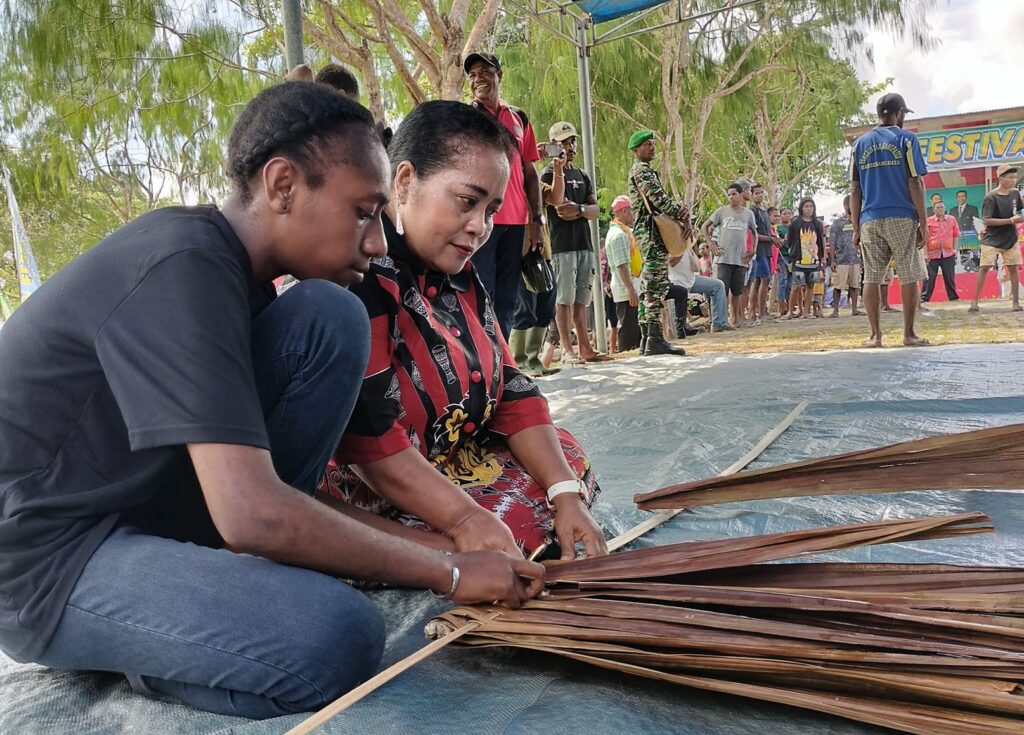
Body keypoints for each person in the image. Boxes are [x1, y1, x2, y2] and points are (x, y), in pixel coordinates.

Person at [0, 83, 545, 719]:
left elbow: (271, 498)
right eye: (363, 212)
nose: (377, 242)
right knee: (338, 637)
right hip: (47, 561)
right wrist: (446, 571)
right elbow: (252, 513)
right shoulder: (182, 267)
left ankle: (192, 604)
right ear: (282, 185)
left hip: (146, 513)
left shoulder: (245, 283)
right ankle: (148, 646)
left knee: (327, 318)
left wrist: (452, 550)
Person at [319, 100, 606, 562]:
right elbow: (371, 442)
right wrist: (465, 521)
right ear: (404, 182)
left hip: (456, 460)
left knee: (564, 460)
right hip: (378, 484)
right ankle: (444, 547)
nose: (480, 228)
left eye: (491, 210)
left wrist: (564, 494)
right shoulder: (360, 277)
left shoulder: (459, 275)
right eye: (467, 202)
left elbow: (510, 388)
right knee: (516, 522)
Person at [464, 52, 543, 338]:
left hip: (517, 224)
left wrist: (537, 221)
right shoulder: (467, 118)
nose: (478, 79)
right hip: (483, 222)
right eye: (472, 75)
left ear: (499, 74)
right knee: (481, 294)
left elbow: (530, 172)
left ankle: (503, 358)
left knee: (508, 298)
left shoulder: (519, 117)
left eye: (484, 72)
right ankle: (483, 355)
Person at [850, 92, 929, 348]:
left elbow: (854, 188)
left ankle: (875, 336)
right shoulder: (906, 139)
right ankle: (908, 334)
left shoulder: (859, 144)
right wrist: (924, 221)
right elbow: (915, 182)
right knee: (908, 274)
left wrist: (856, 227)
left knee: (871, 277)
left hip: (869, 219)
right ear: (899, 113)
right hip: (901, 216)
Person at [541, 121, 607, 364]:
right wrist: (582, 210)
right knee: (564, 299)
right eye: (565, 142)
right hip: (562, 245)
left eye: (572, 141)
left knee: (582, 299)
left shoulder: (582, 174)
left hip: (584, 244)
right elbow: (561, 209)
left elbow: (595, 210)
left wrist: (580, 209)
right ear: (554, 145)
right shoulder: (549, 173)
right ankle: (567, 350)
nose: (570, 146)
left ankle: (585, 348)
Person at [627, 130, 688, 356]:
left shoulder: (641, 170)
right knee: (655, 286)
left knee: (648, 286)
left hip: (647, 234)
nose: (652, 147)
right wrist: (680, 212)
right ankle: (654, 339)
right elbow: (658, 200)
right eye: (647, 144)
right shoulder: (642, 171)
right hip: (651, 234)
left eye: (652, 144)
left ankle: (647, 338)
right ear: (636, 150)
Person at [701, 182, 757, 328]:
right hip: (723, 257)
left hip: (741, 258)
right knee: (722, 290)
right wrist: (710, 244)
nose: (731, 197)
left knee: (737, 291)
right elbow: (704, 226)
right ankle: (721, 320)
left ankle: (735, 319)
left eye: (734, 194)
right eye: (729, 194)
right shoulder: (721, 212)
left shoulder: (748, 214)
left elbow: (754, 232)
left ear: (740, 195)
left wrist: (753, 249)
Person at [969, 164, 1024, 313]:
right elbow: (987, 220)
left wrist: (1018, 217)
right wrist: (1010, 220)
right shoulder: (991, 197)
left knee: (1013, 268)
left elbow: (1019, 211)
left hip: (1010, 237)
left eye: (1014, 177)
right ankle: (975, 302)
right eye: (1010, 177)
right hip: (992, 238)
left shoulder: (1015, 193)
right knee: (984, 267)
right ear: (1000, 178)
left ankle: (1015, 302)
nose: (1013, 180)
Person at [606, 195, 643, 351]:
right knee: (628, 330)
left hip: (629, 287)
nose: (633, 215)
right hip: (625, 289)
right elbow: (622, 265)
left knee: (635, 328)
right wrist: (630, 289)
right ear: (624, 211)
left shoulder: (625, 232)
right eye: (631, 211)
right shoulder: (618, 235)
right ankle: (625, 356)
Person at [668, 245, 733, 333]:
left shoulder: (687, 243)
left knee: (718, 285)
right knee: (676, 327)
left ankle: (719, 324)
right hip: (677, 283)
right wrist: (684, 246)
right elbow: (672, 262)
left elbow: (697, 267)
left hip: (691, 279)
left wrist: (689, 246)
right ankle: (679, 330)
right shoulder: (672, 242)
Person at [786, 198, 825, 319]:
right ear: (801, 208)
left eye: (811, 206)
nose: (809, 209)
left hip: (814, 260)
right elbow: (790, 240)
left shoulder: (817, 224)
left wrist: (822, 256)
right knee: (796, 286)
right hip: (799, 259)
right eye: (806, 206)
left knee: (810, 286)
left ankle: (806, 311)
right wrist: (793, 253)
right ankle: (790, 311)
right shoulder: (795, 223)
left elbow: (821, 240)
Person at [829, 195, 863, 317]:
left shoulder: (859, 221)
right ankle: (835, 310)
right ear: (845, 205)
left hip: (855, 258)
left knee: (855, 285)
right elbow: (832, 243)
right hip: (841, 259)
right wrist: (833, 260)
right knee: (838, 286)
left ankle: (854, 309)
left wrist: (862, 259)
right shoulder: (838, 223)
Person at [749, 183, 777, 322]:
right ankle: (759, 313)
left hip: (766, 250)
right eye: (756, 193)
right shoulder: (752, 211)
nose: (759, 195)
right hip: (758, 250)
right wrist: (771, 239)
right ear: (752, 195)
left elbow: (767, 232)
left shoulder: (764, 212)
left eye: (761, 192)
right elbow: (754, 234)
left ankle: (757, 312)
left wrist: (774, 239)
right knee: (764, 279)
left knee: (759, 281)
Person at [923, 200, 961, 302]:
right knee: (930, 277)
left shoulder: (952, 219)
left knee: (949, 276)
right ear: (933, 210)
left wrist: (955, 249)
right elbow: (924, 239)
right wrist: (925, 254)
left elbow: (956, 235)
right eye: (937, 207)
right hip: (932, 254)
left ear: (945, 209)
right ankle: (925, 298)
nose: (940, 209)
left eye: (941, 207)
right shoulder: (928, 221)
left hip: (948, 253)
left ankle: (953, 297)